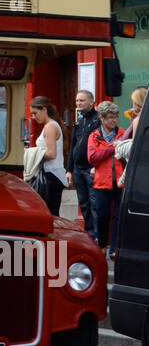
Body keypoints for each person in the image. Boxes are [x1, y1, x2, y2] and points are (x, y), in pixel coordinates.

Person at [87, 101, 125, 255]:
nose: (113, 120)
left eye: (115, 117)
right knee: (102, 215)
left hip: (120, 181)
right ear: (102, 118)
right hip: (102, 182)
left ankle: (114, 249)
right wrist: (112, 147)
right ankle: (102, 245)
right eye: (110, 117)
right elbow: (92, 158)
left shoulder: (122, 133)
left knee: (118, 216)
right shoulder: (94, 136)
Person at [65, 89, 100, 240]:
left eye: (82, 100)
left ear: (91, 102)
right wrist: (69, 170)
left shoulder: (97, 120)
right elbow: (73, 145)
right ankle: (89, 233)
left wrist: (96, 165)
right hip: (78, 169)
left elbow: (101, 145)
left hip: (90, 169)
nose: (78, 103)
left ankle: (98, 236)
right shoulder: (80, 121)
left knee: (94, 204)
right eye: (77, 101)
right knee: (84, 203)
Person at [28, 96, 69, 216]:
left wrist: (30, 152)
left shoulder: (50, 127)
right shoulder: (53, 125)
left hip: (51, 176)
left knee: (49, 214)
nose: (33, 117)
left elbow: (51, 154)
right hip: (53, 175)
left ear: (44, 109)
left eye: (35, 113)